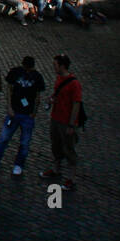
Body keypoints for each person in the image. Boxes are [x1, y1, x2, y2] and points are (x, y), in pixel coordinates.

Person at [0, 55, 45, 176]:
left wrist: (34, 112)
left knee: (24, 142)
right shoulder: (16, 72)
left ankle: (18, 164)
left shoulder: (37, 77)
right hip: (15, 112)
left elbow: (38, 96)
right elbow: (9, 89)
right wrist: (9, 107)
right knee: (4, 138)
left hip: (27, 115)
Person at [44, 54, 83, 190]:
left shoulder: (74, 84)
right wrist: (51, 99)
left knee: (69, 149)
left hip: (66, 122)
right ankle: (56, 169)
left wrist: (71, 124)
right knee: (56, 146)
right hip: (56, 118)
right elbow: (57, 94)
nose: (53, 67)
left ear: (62, 66)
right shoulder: (59, 78)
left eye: (55, 64)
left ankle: (72, 179)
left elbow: (76, 104)